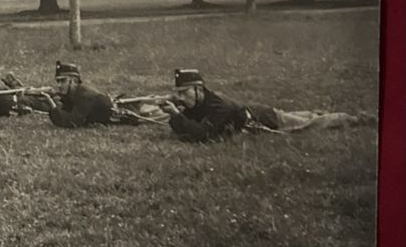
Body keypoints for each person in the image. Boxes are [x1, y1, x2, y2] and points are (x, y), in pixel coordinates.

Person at [159, 68, 375, 142]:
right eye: (178, 93)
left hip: (265, 119)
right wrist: (175, 114)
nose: (182, 97)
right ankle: (321, 112)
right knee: (304, 116)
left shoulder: (219, 106)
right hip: (261, 113)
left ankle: (358, 119)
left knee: (310, 126)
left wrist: (177, 114)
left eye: (184, 92)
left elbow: (202, 135)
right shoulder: (198, 102)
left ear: (198, 89)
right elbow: (183, 131)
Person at [44, 61, 114, 128]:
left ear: (74, 80)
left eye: (63, 81)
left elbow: (71, 122)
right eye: (58, 81)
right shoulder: (75, 93)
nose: (59, 85)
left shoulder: (85, 96)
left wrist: (52, 105)